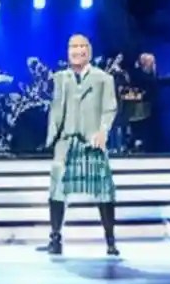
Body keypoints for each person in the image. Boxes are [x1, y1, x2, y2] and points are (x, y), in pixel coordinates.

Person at [43, 34, 120, 256]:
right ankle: (55, 237)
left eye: (82, 46)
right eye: (73, 47)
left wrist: (103, 130)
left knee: (104, 191)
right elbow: (56, 108)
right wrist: (53, 136)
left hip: (91, 141)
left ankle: (110, 240)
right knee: (57, 190)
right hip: (66, 140)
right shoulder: (60, 78)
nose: (77, 50)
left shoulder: (103, 78)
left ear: (90, 51)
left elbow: (109, 108)